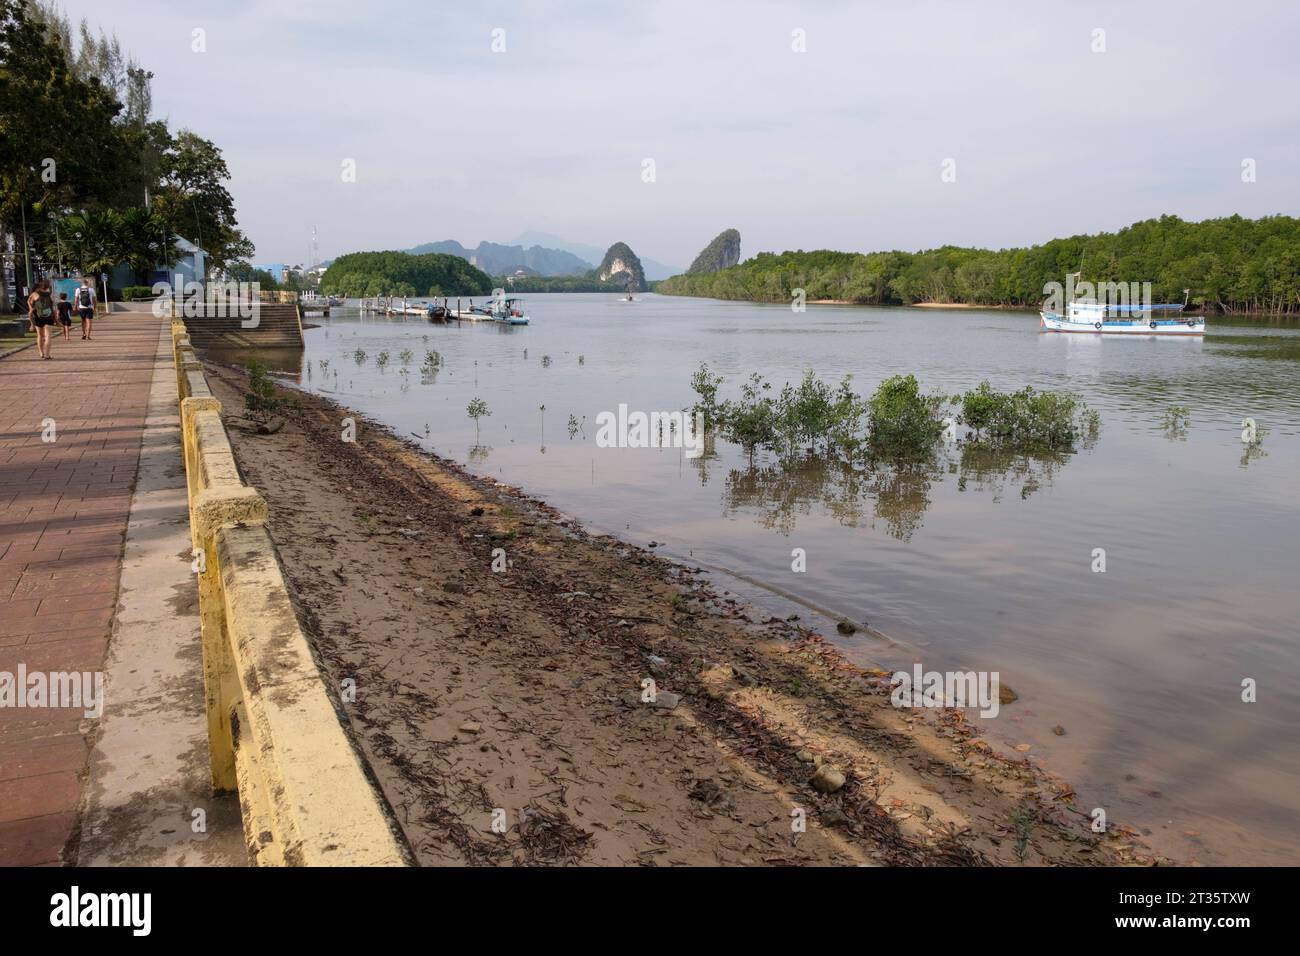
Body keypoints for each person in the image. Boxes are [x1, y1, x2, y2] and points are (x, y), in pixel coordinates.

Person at [27, 279, 55, 359]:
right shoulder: (49, 294)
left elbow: (28, 302)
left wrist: (31, 307)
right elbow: (52, 306)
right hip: (48, 317)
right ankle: (47, 355)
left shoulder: (34, 294)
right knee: (48, 336)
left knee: (39, 335)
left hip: (38, 317)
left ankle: (41, 353)